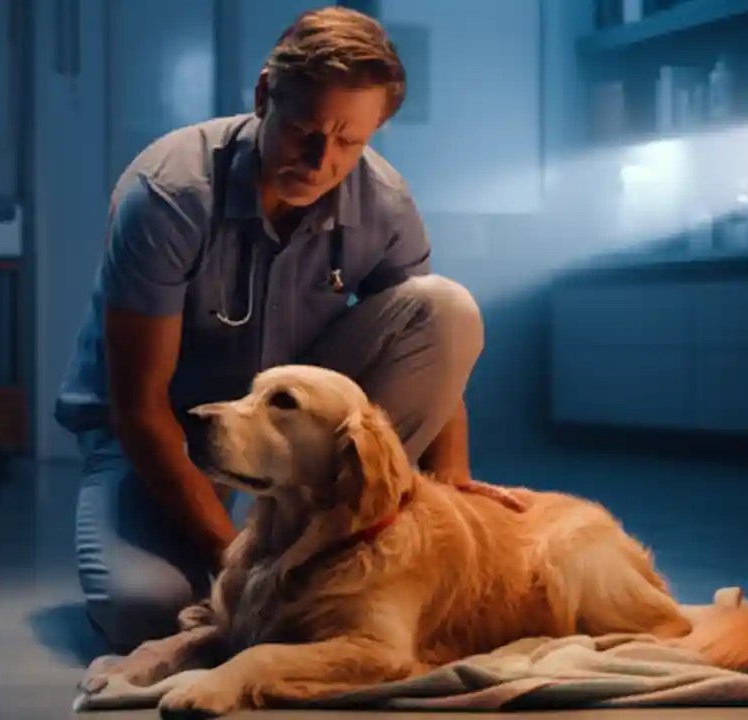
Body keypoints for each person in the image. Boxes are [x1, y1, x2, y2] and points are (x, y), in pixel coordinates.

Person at [53, 6, 522, 654]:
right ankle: (260, 547)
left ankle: (323, 543)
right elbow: (139, 409)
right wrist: (238, 558)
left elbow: (432, 344)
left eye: (349, 141)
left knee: (446, 306)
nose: (320, 159)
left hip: (288, 425)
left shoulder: (384, 202)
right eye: (303, 129)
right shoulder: (170, 194)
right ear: (264, 95)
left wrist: (458, 488)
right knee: (150, 614)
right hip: (166, 433)